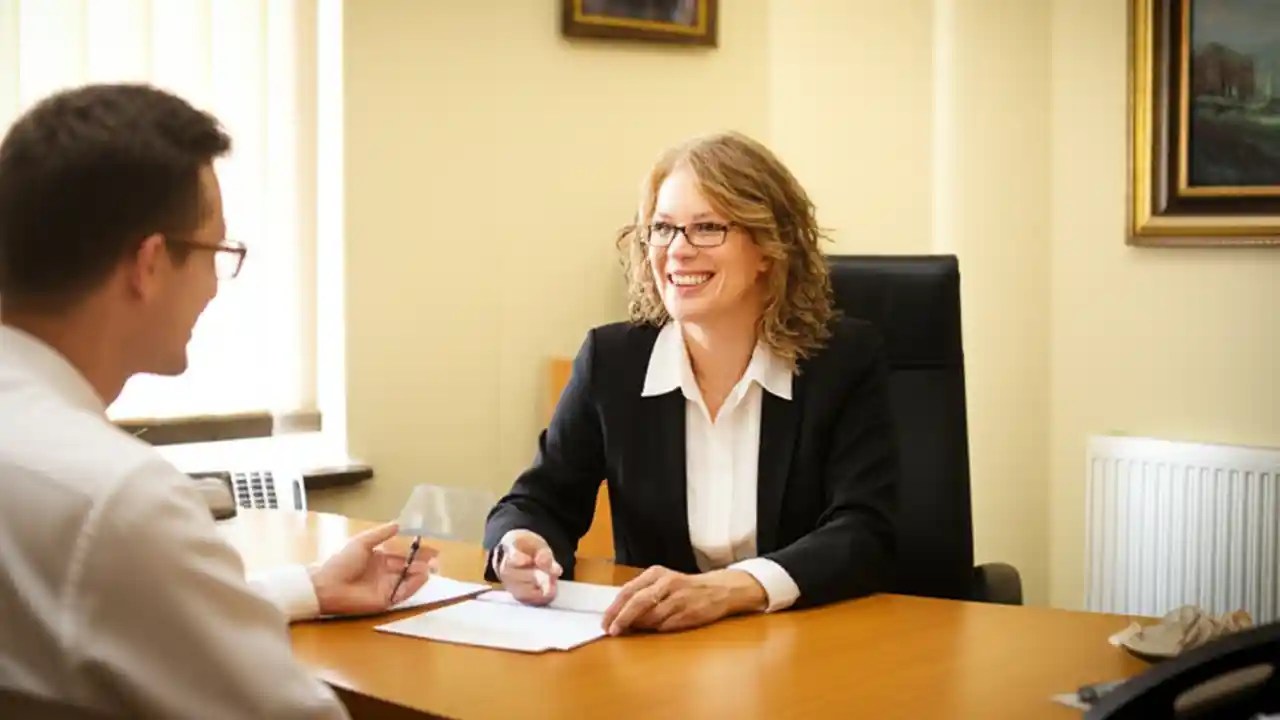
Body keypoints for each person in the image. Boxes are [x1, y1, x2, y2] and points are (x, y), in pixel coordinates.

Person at [0, 84, 436, 718]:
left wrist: (305, 589)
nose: (213, 286)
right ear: (149, 264)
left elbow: (102, 608)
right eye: (216, 252)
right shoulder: (118, 500)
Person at [484, 131, 901, 636]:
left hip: (808, 644)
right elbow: (538, 501)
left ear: (768, 247)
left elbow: (864, 531)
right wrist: (520, 545)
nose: (677, 251)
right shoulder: (613, 362)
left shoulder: (841, 361)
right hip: (661, 651)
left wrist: (733, 589)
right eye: (662, 228)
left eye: (706, 228)